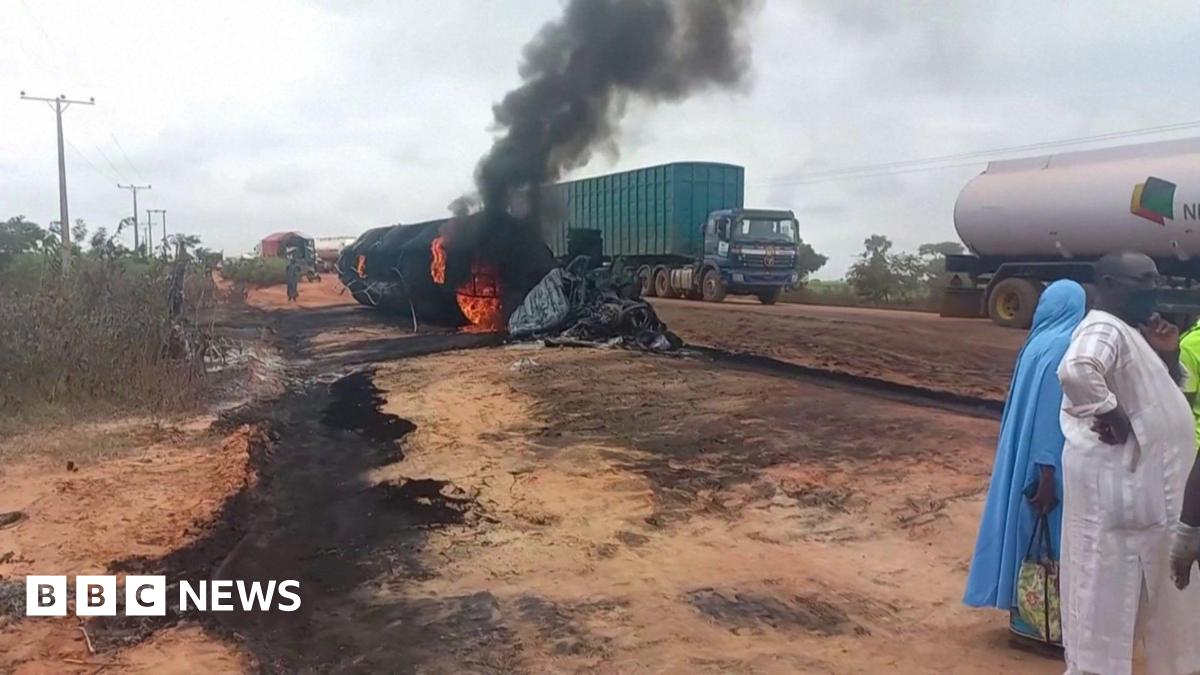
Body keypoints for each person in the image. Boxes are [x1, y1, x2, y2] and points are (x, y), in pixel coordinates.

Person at [1056, 251, 1200, 675]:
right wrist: (1109, 413)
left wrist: (1168, 356)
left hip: (1143, 501)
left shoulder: (1129, 331)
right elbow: (1077, 369)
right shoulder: (1104, 326)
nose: (1154, 288)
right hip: (1121, 499)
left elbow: (1155, 395)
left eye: (1155, 278)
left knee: (1145, 601)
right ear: (1109, 285)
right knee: (1102, 602)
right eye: (1143, 280)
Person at [963, 280, 1085, 642]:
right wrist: (1047, 474)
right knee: (1046, 541)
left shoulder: (1037, 343)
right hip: (1046, 465)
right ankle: (1039, 622)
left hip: (1025, 458)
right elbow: (1049, 416)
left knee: (1024, 533)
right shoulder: (1064, 347)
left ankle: (1023, 613)